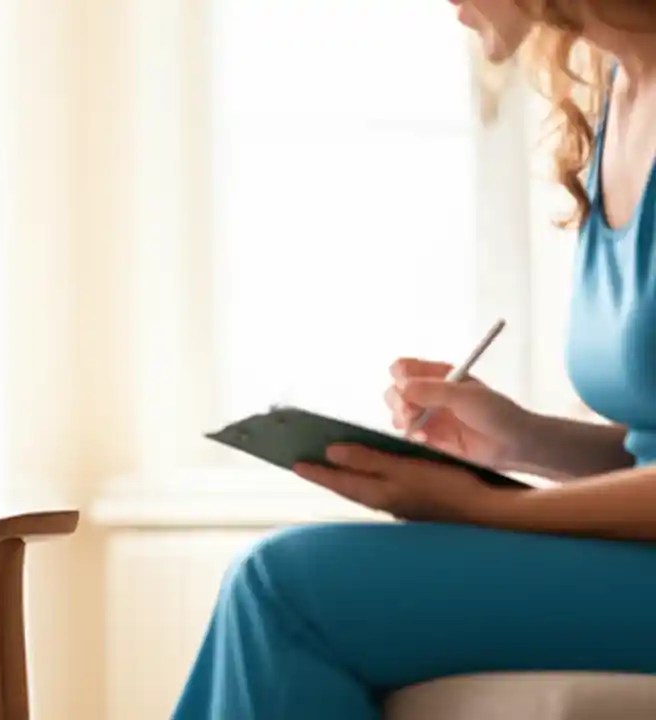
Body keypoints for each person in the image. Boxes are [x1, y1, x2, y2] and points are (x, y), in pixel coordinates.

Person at [173, 1, 656, 718]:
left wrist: (488, 508)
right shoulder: (622, 97)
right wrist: (521, 439)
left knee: (285, 588)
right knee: (278, 587)